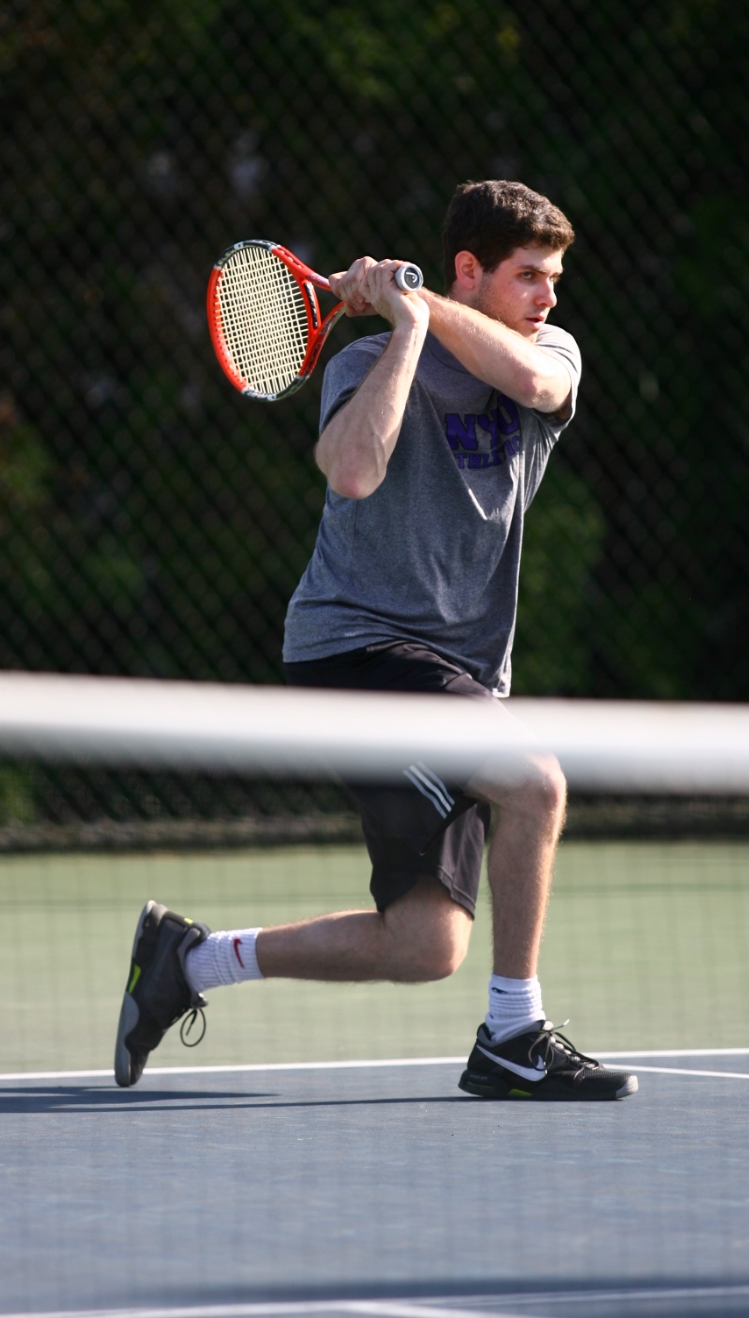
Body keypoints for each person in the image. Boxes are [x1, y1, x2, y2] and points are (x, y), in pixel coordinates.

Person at [114, 180, 637, 1102]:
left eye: (553, 278)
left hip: (463, 671)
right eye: (529, 277)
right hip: (353, 649)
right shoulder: (361, 363)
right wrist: (402, 331)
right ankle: (514, 1035)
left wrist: (413, 299)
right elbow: (353, 473)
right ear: (469, 270)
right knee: (537, 782)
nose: (550, 297)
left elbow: (537, 382)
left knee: (427, 944)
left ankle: (189, 963)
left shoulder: (551, 351)